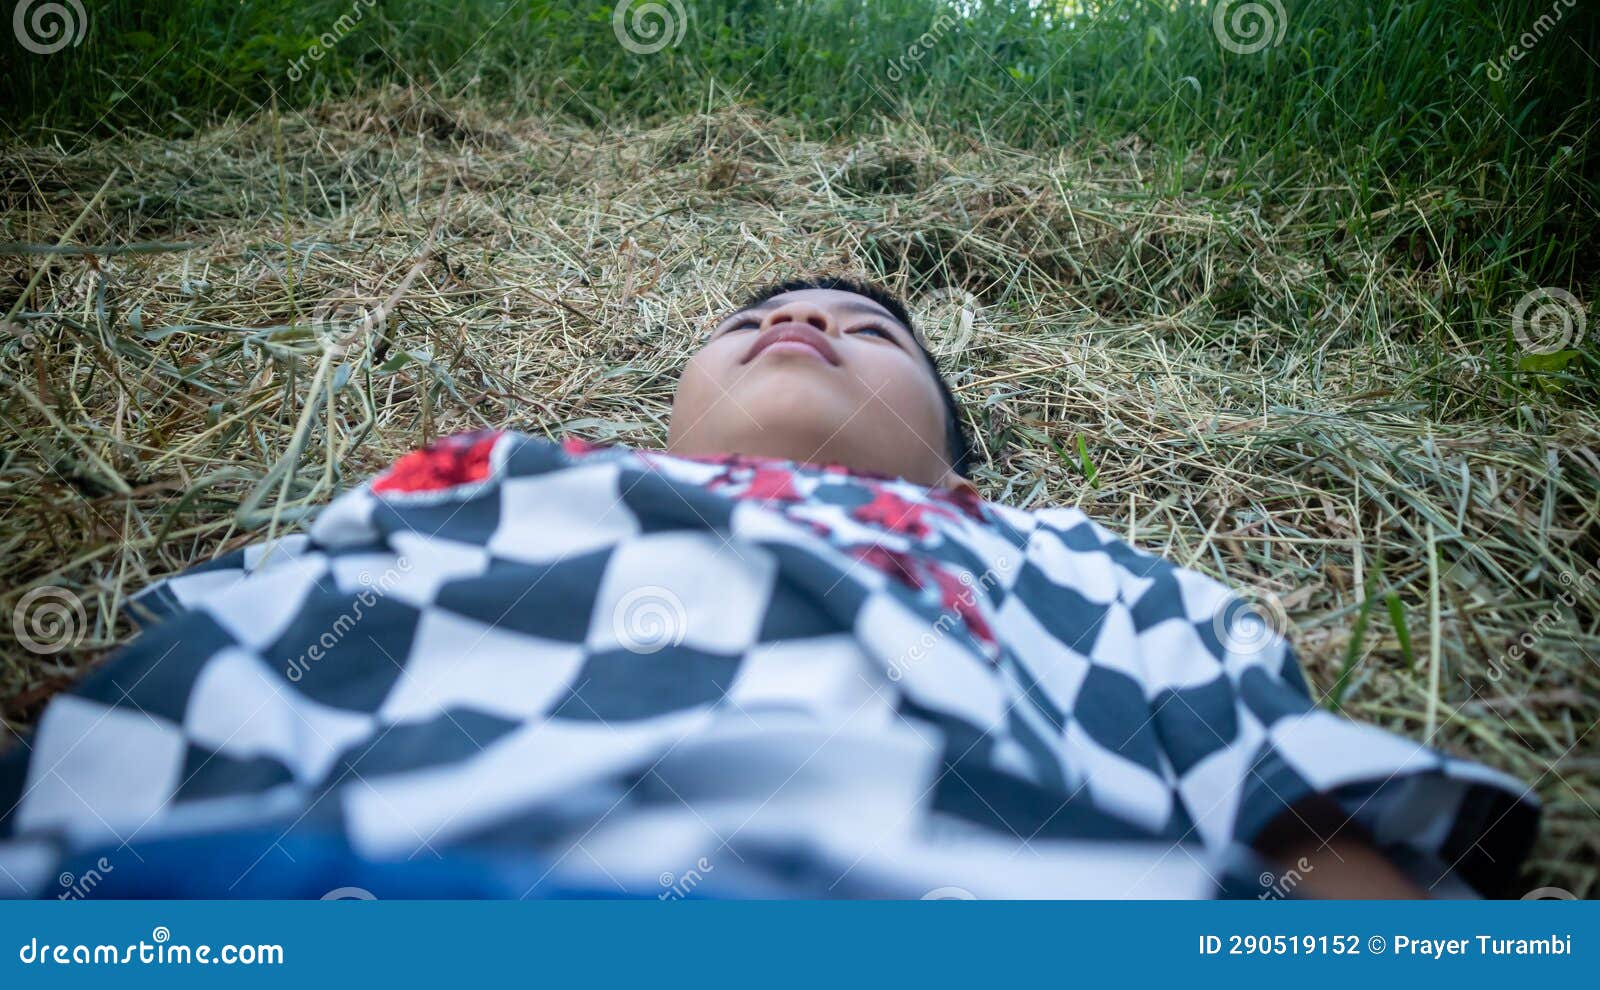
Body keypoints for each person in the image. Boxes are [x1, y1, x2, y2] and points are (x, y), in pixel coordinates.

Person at [0, 278, 1535, 899]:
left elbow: (1305, 825)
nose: (803, 311)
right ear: (652, 419)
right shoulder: (469, 477)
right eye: (758, 310)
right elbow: (163, 690)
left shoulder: (1074, 565)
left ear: (958, 483)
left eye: (870, 329)